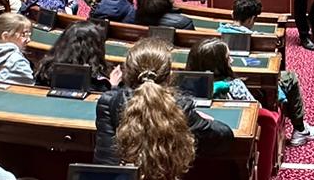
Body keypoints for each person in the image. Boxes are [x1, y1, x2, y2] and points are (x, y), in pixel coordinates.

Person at [95, 38, 236, 164]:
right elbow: (225, 136)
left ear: (127, 72)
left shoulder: (108, 101)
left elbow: (107, 159)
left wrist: (114, 88)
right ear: (169, 76)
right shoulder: (180, 106)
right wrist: (206, 120)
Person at [211, 0, 314, 145]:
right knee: (290, 77)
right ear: (251, 19)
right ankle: (300, 129)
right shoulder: (261, 39)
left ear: (232, 14)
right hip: (251, 82)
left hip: (223, 83)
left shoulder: (215, 36)